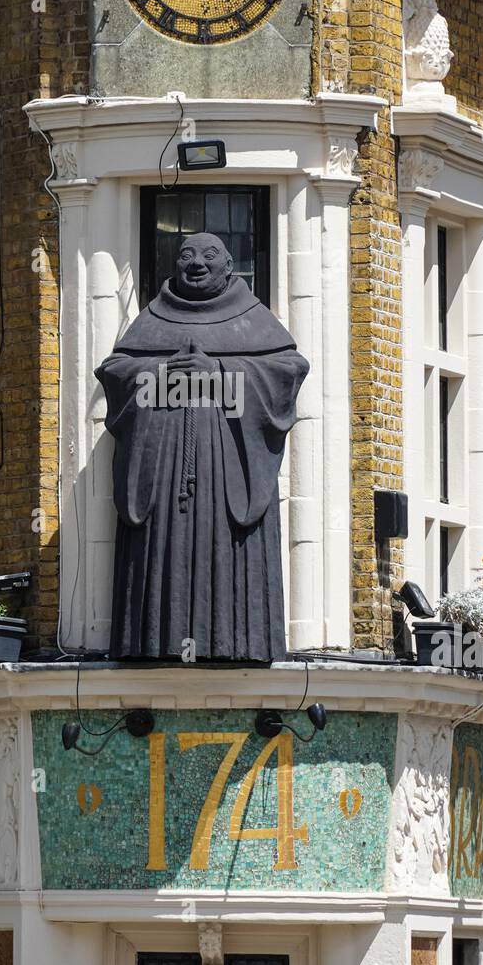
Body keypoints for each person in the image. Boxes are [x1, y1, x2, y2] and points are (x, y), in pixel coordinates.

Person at [95, 232, 308, 661]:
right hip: (164, 484)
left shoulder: (254, 317)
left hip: (226, 479)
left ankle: (238, 642)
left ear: (228, 267)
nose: (196, 263)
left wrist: (218, 371)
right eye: (186, 255)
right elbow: (116, 372)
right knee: (164, 566)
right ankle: (152, 639)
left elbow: (287, 370)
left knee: (227, 563)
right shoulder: (154, 318)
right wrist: (161, 370)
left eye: (209, 256)